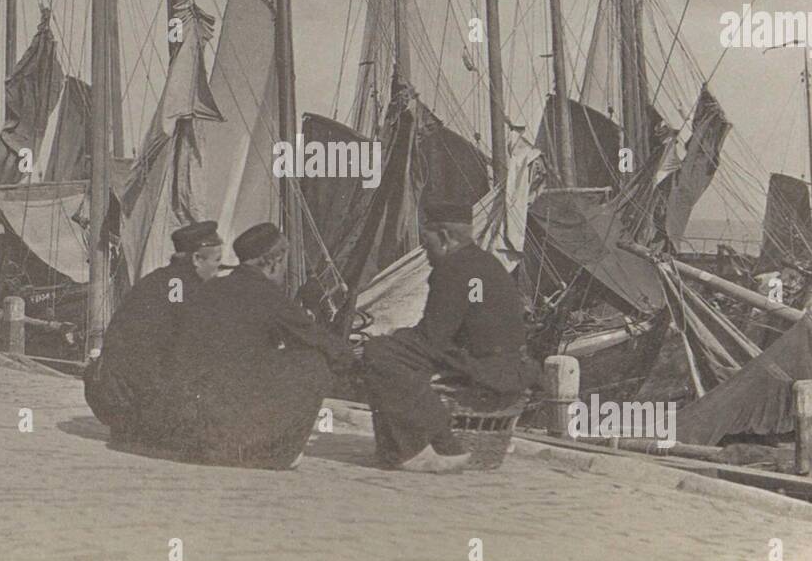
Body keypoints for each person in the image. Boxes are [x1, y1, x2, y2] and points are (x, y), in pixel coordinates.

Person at [360, 200, 536, 472]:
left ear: (443, 237)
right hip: (509, 366)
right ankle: (413, 446)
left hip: (486, 367)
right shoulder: (485, 263)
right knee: (391, 349)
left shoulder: (452, 268)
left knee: (379, 353)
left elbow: (432, 338)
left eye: (426, 241)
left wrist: (393, 339)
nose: (424, 249)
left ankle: (429, 445)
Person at [167, 223, 357, 470]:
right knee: (312, 363)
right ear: (275, 261)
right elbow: (320, 343)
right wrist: (356, 362)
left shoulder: (209, 289)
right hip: (226, 431)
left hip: (190, 429)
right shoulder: (269, 295)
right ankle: (278, 452)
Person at [83, 220, 225, 450]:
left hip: (113, 396)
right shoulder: (180, 286)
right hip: (136, 401)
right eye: (217, 262)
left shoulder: (161, 279)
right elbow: (182, 339)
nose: (219, 271)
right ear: (197, 259)